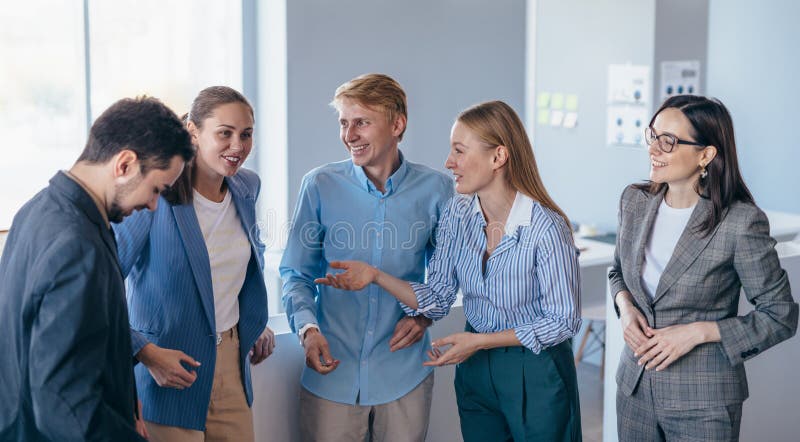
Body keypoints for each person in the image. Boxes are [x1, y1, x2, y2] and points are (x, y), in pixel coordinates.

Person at [318, 100, 583, 442]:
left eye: (459, 150)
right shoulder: (458, 213)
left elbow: (563, 320)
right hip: (475, 369)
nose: (448, 163)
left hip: (534, 367)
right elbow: (438, 296)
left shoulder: (546, 227)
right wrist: (375, 276)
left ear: (498, 157)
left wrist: (481, 341)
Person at [0, 96, 193, 440]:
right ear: (125, 164)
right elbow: (64, 401)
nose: (151, 205)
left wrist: (128, 407)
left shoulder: (36, 210)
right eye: (155, 190)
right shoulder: (77, 244)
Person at [608, 95, 798, 441]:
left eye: (669, 141)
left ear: (705, 155)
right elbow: (617, 270)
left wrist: (699, 332)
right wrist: (624, 307)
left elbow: (780, 315)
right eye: (653, 135)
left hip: (703, 400)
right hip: (634, 389)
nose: (654, 148)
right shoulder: (634, 200)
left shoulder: (740, 222)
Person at [280, 73, 454, 442]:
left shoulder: (437, 190)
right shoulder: (319, 186)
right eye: (344, 123)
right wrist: (308, 331)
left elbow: (446, 279)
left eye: (361, 122)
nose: (349, 135)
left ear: (397, 124)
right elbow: (295, 273)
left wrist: (423, 316)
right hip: (332, 377)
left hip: (404, 374)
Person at [114, 86, 273, 441]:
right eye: (225, 133)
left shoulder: (247, 187)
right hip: (169, 368)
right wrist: (146, 353)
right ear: (193, 132)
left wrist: (253, 320)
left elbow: (242, 260)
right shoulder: (155, 192)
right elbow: (100, 287)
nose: (238, 146)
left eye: (246, 134)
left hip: (232, 364)